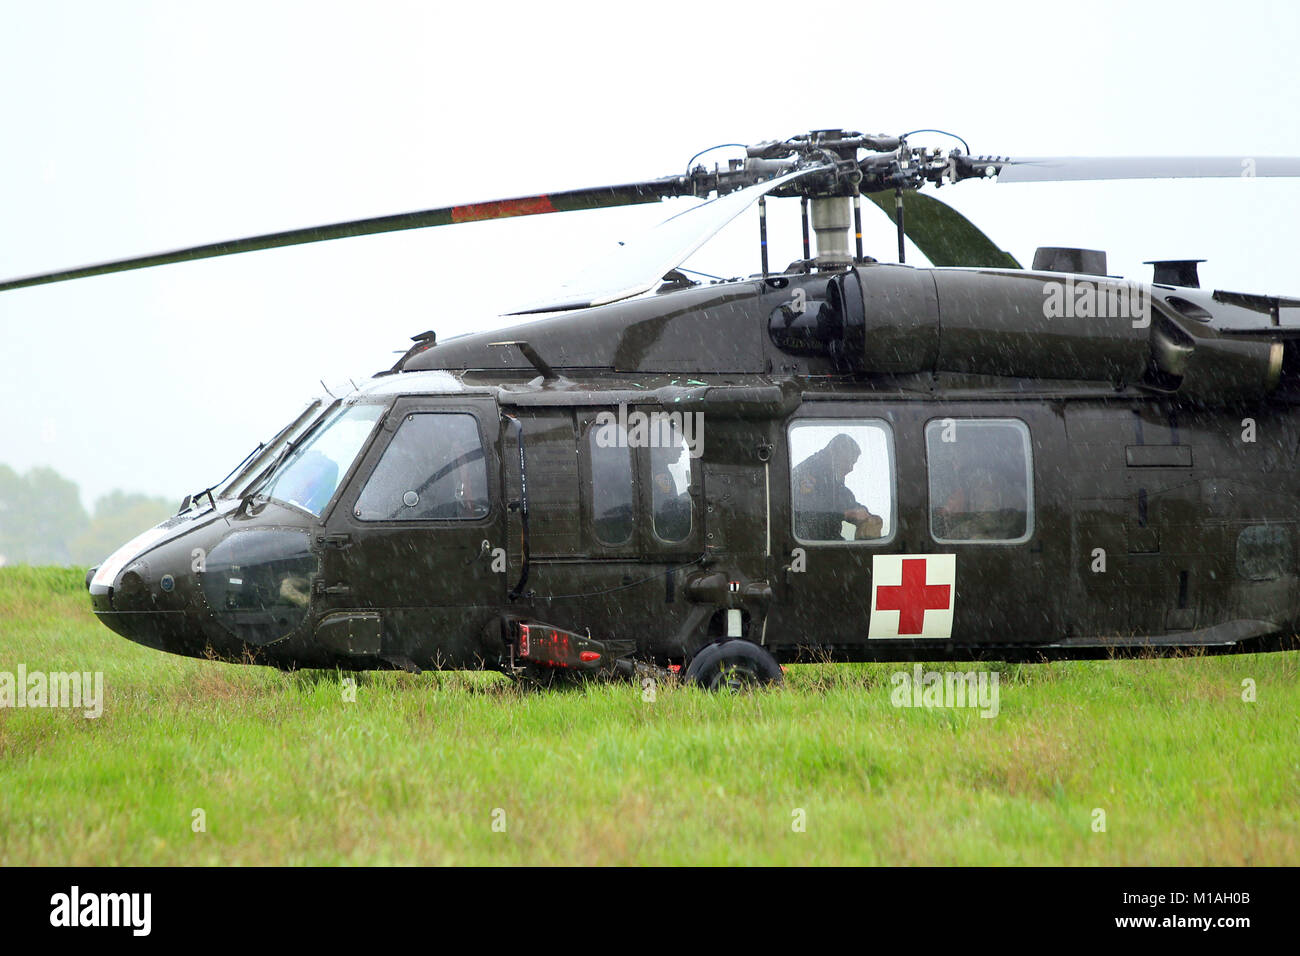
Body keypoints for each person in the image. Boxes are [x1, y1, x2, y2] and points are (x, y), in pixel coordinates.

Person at [792, 433, 883, 541]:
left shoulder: (832, 478)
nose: (851, 468)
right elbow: (806, 515)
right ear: (834, 454)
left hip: (826, 540)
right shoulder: (809, 473)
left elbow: (843, 499)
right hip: (809, 542)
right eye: (848, 462)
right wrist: (845, 515)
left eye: (853, 463)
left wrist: (865, 513)